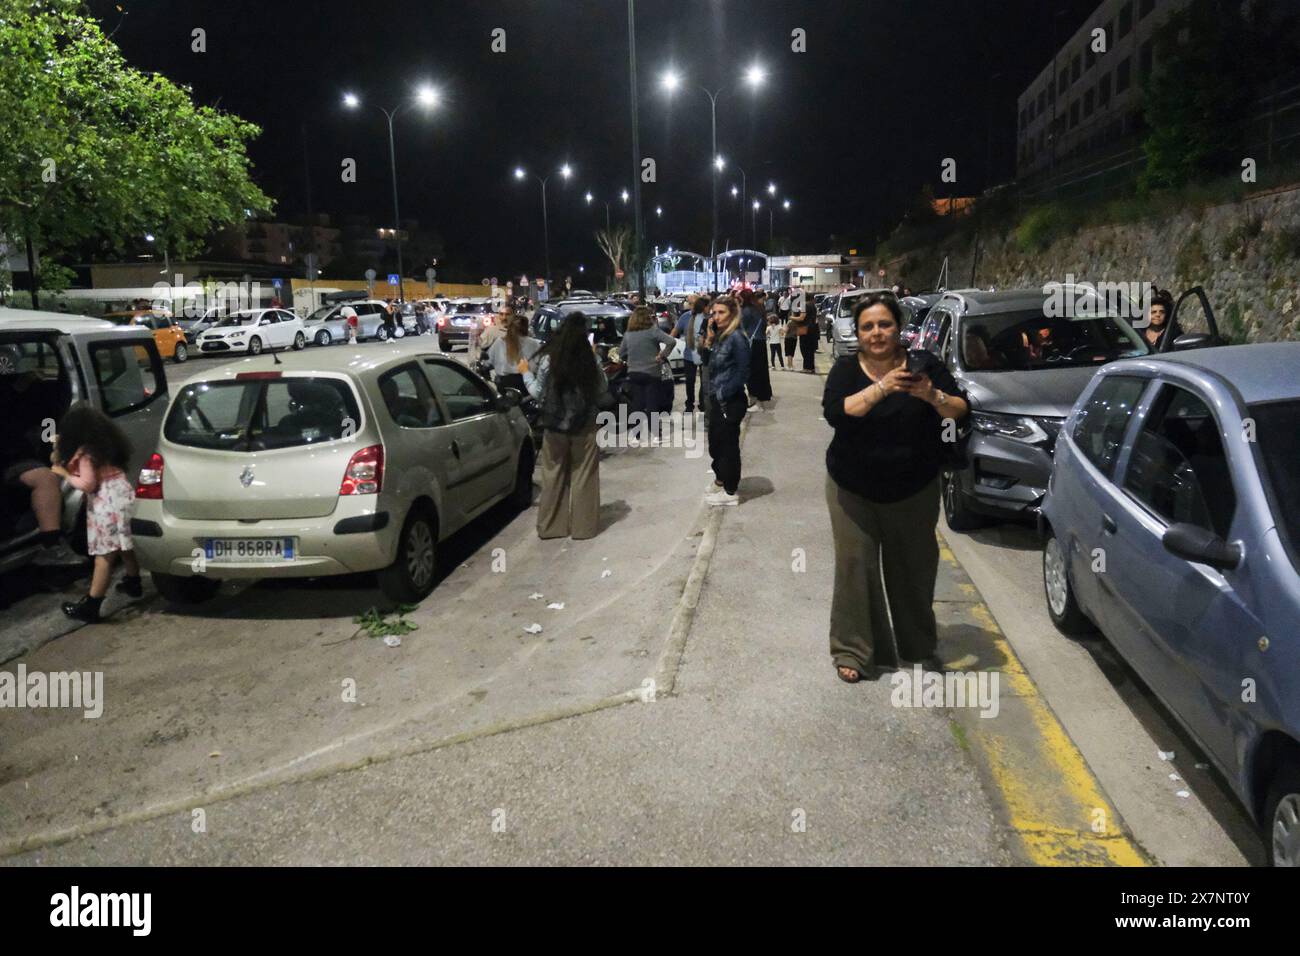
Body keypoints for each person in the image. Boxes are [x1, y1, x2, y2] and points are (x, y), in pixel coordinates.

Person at [822, 294, 970, 684]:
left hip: (914, 488)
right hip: (851, 489)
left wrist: (930, 395)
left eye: (884, 324)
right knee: (856, 568)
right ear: (858, 332)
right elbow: (837, 412)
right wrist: (884, 387)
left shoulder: (926, 365)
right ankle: (854, 649)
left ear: (898, 328)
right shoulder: (845, 369)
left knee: (914, 570)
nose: (876, 333)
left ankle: (918, 645)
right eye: (867, 326)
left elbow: (959, 408)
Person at [520, 312, 607, 540]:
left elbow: (539, 393)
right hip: (585, 424)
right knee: (584, 475)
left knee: (553, 475)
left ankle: (551, 528)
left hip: (555, 426)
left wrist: (525, 374)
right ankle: (583, 528)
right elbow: (601, 389)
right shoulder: (590, 359)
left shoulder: (550, 359)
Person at [53, 405, 143, 622]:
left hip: (106, 503)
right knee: (124, 545)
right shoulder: (108, 445)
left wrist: (64, 474)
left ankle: (92, 604)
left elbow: (87, 484)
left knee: (104, 555)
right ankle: (133, 581)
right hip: (122, 495)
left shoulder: (86, 455)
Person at [0, 372, 84, 566]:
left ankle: (51, 545)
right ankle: (53, 546)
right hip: (8, 457)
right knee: (45, 478)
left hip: (12, 455)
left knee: (45, 477)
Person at [701, 296, 750, 506]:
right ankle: (721, 480)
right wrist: (709, 340)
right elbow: (705, 363)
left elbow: (744, 371)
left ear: (732, 314)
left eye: (721, 312)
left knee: (728, 446)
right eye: (714, 312)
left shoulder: (737, 338)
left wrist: (725, 393)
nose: (716, 317)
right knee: (715, 443)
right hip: (717, 397)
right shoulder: (720, 336)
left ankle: (730, 491)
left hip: (730, 400)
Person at [620, 306, 677, 444]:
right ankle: (656, 436)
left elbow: (622, 353)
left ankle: (635, 436)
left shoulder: (628, 334)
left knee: (637, 404)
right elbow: (671, 341)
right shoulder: (653, 331)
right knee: (652, 404)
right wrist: (661, 355)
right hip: (652, 372)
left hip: (634, 373)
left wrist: (631, 358)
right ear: (648, 318)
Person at [487, 313, 540, 395]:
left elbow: (488, 361)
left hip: (505, 384)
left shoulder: (500, 342)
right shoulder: (534, 343)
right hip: (526, 383)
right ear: (526, 328)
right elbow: (539, 363)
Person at [673, 296, 708, 413]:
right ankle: (690, 403)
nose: (691, 305)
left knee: (705, 381)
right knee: (690, 381)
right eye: (689, 303)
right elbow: (675, 332)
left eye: (693, 303)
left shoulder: (706, 317)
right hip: (689, 355)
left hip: (703, 355)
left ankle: (703, 403)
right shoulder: (685, 317)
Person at [740, 290, 772, 407]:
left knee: (751, 371)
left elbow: (742, 327)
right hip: (760, 342)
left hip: (751, 343)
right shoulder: (759, 309)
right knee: (761, 370)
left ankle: (753, 397)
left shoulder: (746, 311)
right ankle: (763, 394)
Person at [797, 294, 818, 372]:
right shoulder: (814, 306)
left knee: (804, 348)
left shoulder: (805, 306)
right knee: (810, 349)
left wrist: (792, 317)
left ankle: (806, 368)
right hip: (813, 329)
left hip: (805, 329)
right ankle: (811, 367)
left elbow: (801, 317)